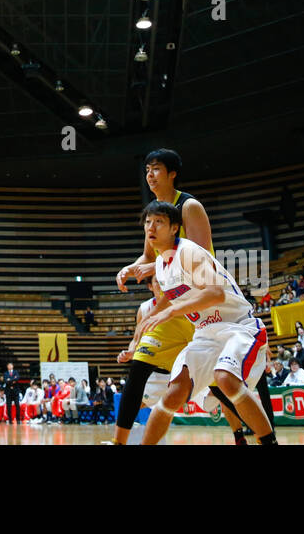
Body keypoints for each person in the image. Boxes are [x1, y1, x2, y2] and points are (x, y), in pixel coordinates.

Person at [109, 149, 273, 446]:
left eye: (156, 169)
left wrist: (165, 308)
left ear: (172, 173)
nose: (149, 175)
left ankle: (258, 434)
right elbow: (151, 261)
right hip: (200, 322)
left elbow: (197, 258)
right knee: (173, 387)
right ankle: (123, 442)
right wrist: (131, 269)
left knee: (226, 380)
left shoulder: (188, 212)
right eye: (146, 169)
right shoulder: (159, 246)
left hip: (222, 311)